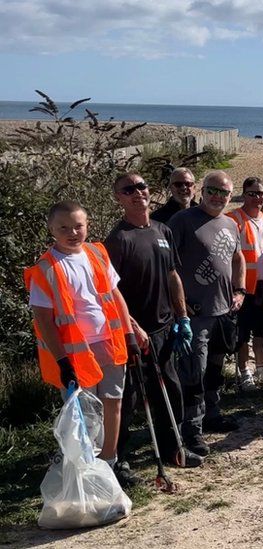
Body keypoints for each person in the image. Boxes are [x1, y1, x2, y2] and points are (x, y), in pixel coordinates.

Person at [25, 201, 138, 477]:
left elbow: (115, 296)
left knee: (113, 402)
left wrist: (129, 333)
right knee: (85, 413)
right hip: (76, 352)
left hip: (110, 343)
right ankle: (88, 468)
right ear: (51, 229)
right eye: (64, 227)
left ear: (87, 225)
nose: (73, 232)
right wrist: (63, 361)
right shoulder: (45, 268)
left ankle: (110, 463)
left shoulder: (97, 253)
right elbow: (44, 319)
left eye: (78, 226)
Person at [105, 174, 202, 483]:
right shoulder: (118, 239)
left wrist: (182, 316)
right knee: (129, 399)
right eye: (128, 190)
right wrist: (130, 327)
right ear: (119, 197)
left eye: (142, 187)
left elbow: (173, 274)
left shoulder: (162, 230)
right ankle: (119, 461)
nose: (137, 193)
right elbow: (110, 292)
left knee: (170, 390)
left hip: (164, 328)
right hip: (132, 333)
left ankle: (174, 448)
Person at [167, 170, 245, 455]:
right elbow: (168, 267)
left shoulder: (230, 224)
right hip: (195, 314)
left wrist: (240, 290)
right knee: (193, 374)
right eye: (212, 190)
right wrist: (180, 304)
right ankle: (192, 429)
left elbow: (238, 257)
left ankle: (213, 415)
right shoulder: (182, 221)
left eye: (224, 193)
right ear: (202, 190)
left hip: (223, 310)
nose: (217, 197)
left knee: (214, 369)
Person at [226, 177, 263, 390]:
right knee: (242, 333)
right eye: (252, 193)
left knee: (261, 330)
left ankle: (261, 368)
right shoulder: (233, 219)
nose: (257, 198)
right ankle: (244, 372)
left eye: (261, 193)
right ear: (243, 194)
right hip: (243, 286)